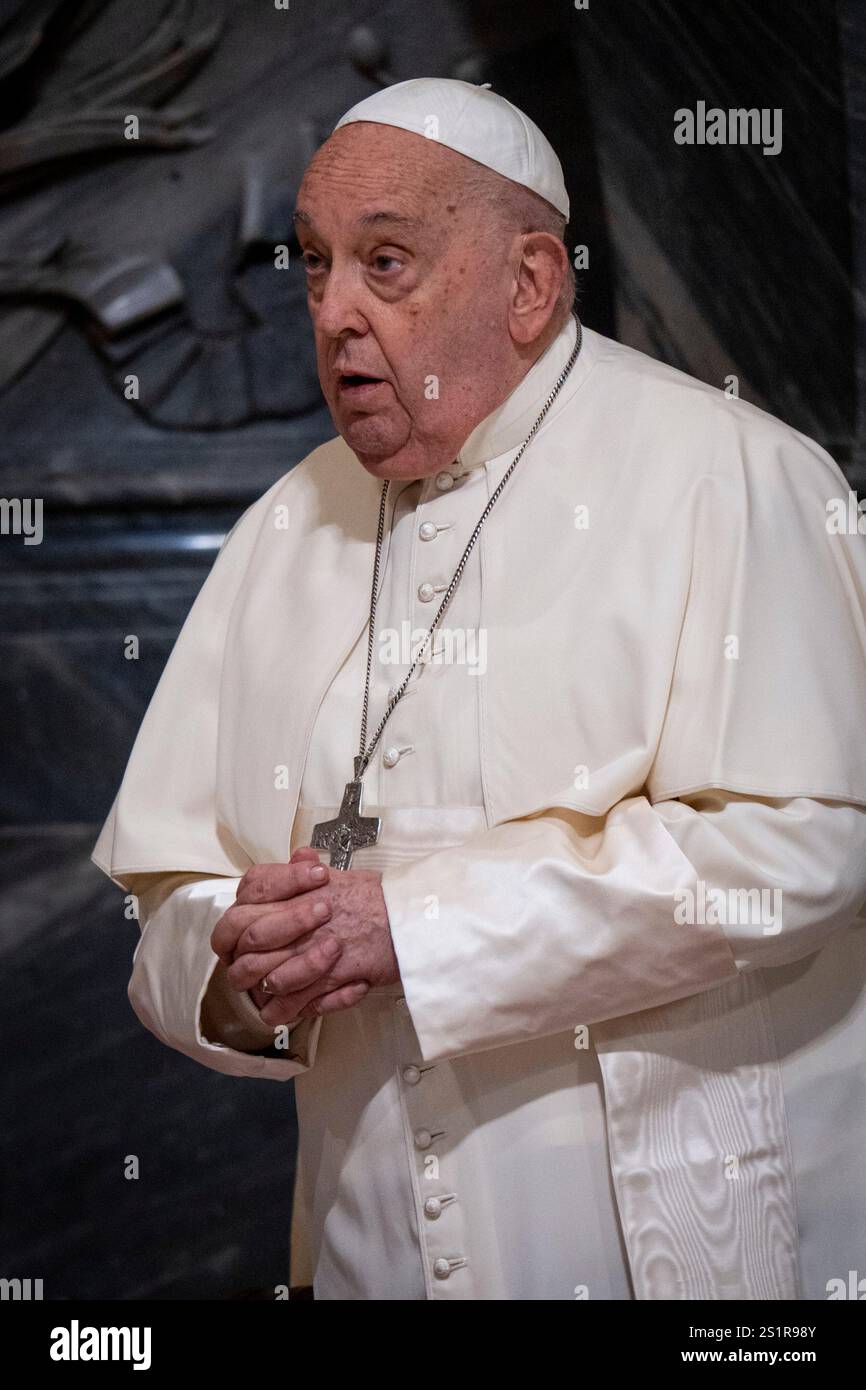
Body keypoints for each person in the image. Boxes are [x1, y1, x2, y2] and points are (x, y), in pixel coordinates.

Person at [93, 78, 866, 1301]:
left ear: (528, 285)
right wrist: (241, 971)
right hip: (365, 1251)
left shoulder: (730, 474)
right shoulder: (283, 527)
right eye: (313, 265)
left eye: (385, 263)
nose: (333, 312)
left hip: (670, 1246)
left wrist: (415, 927)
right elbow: (166, 899)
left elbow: (803, 848)